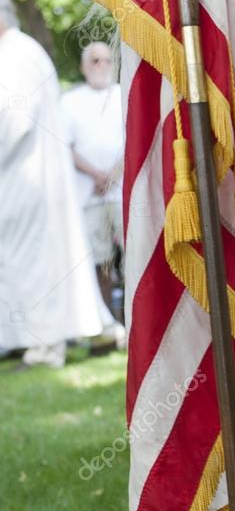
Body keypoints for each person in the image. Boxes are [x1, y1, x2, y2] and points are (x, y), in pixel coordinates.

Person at [0, 0, 111, 368]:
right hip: (31, 175)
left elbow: (13, 120)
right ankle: (85, 333)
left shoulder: (14, 55)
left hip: (26, 176)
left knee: (32, 261)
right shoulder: (21, 51)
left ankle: (44, 346)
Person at [60, 42, 125, 331]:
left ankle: (134, 319)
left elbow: (134, 138)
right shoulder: (70, 102)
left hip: (123, 194)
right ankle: (109, 325)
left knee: (130, 257)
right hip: (88, 196)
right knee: (99, 263)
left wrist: (113, 174)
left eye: (106, 60)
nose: (101, 66)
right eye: (94, 61)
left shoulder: (123, 95)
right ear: (84, 66)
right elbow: (64, 146)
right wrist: (97, 175)